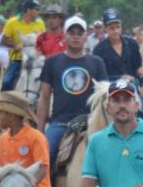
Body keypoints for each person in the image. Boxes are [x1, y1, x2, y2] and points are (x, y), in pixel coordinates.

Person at [36, 14, 107, 165]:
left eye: (80, 33)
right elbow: (44, 97)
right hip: (60, 123)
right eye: (72, 33)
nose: (76, 37)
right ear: (64, 36)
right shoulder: (51, 62)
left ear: (86, 36)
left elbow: (105, 97)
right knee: (44, 157)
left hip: (90, 122)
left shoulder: (97, 63)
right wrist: (39, 131)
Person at [1, 0, 44, 91]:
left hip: (37, 60)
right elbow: (3, 40)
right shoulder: (12, 22)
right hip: (18, 59)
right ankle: (3, 99)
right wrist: (15, 44)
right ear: (28, 11)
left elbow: (44, 40)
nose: (38, 12)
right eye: (36, 10)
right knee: (6, 82)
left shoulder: (40, 23)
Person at [94, 8, 142, 81]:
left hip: (133, 85)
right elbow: (99, 76)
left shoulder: (132, 44)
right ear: (105, 28)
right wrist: (120, 78)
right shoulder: (99, 50)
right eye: (112, 28)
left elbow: (139, 68)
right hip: (110, 86)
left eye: (118, 27)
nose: (116, 31)